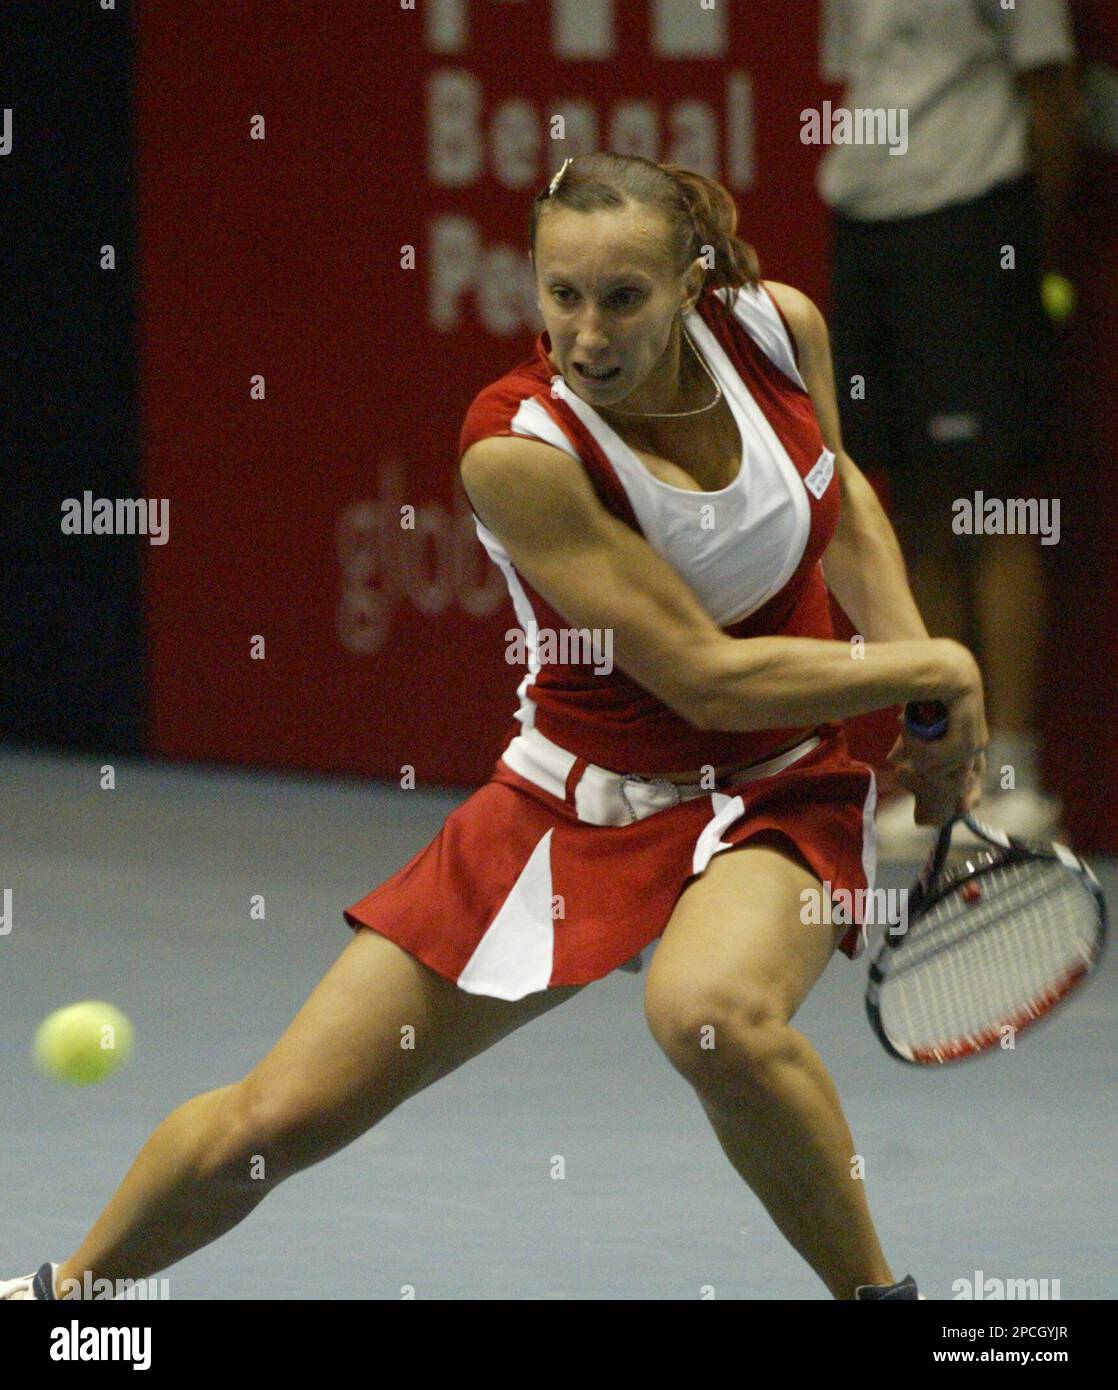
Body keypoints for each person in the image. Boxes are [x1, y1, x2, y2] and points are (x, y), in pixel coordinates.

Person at [2, 152, 988, 1304]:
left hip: (775, 786)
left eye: (622, 297)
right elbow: (702, 678)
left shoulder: (775, 330)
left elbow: (838, 497)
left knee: (709, 1013)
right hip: (569, 811)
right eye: (561, 294)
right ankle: (64, 1300)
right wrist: (932, 668)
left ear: (691, 283)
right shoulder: (516, 447)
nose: (586, 333)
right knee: (275, 1120)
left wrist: (921, 701)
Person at [817, 0, 1080, 856]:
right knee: (915, 505)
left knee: (989, 503)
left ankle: (1015, 778)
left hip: (971, 223)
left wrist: (1022, 248)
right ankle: (947, 774)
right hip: (868, 225)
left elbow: (1052, 89)